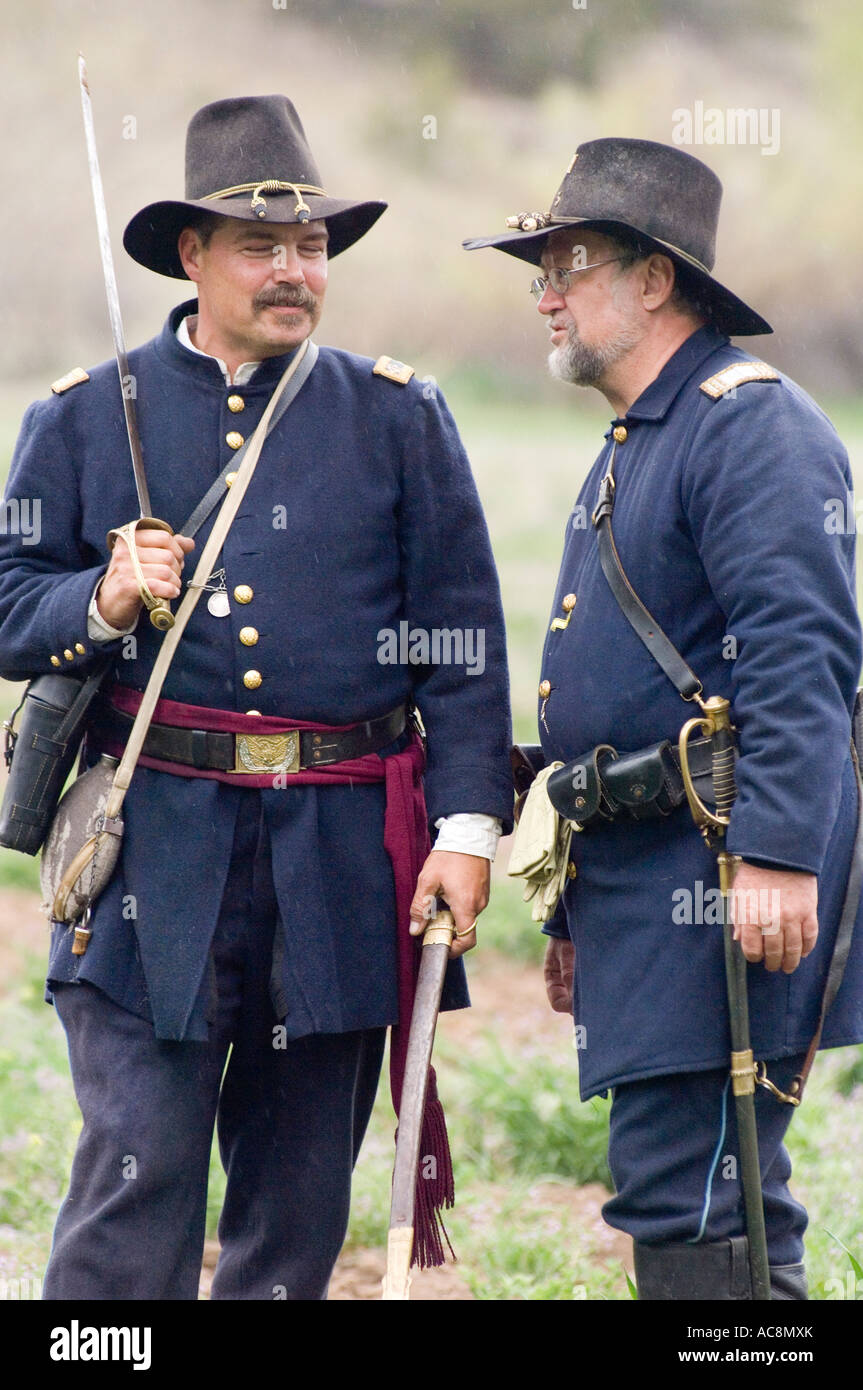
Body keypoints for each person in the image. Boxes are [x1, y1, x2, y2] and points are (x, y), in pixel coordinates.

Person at [0, 94, 512, 1300]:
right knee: (136, 1169)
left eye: (312, 248)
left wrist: (468, 827)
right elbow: (10, 600)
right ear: (192, 256)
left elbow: (465, 648)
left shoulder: (398, 416)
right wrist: (104, 601)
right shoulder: (81, 416)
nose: (293, 272)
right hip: (149, 857)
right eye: (260, 246)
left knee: (296, 1202)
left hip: (338, 856)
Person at [464, 137, 863, 1300]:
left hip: (724, 866)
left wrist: (777, 853)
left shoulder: (748, 426)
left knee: (705, 1195)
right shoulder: (643, 434)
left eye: (569, 262)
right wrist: (575, 910)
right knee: (684, 1186)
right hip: (646, 871)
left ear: (653, 280)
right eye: (537, 267)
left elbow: (800, 656)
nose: (543, 291)